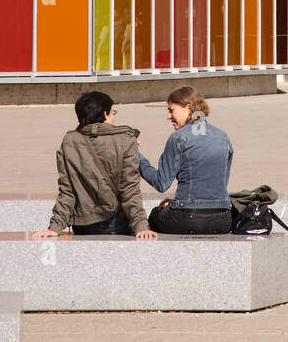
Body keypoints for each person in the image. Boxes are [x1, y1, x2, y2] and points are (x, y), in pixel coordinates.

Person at [32, 91, 156, 239]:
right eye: (112, 113)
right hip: (116, 223)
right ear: (105, 114)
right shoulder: (125, 139)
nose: (113, 118)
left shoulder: (70, 141)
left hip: (83, 224)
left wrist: (55, 227)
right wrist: (141, 226)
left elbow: (67, 190)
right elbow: (130, 189)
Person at [139, 85, 234, 234]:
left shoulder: (179, 137)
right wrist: (179, 203)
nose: (168, 117)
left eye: (171, 110)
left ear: (188, 108)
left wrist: (136, 157)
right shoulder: (223, 137)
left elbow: (161, 183)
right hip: (223, 220)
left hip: (187, 218)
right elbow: (220, 183)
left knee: (155, 215)